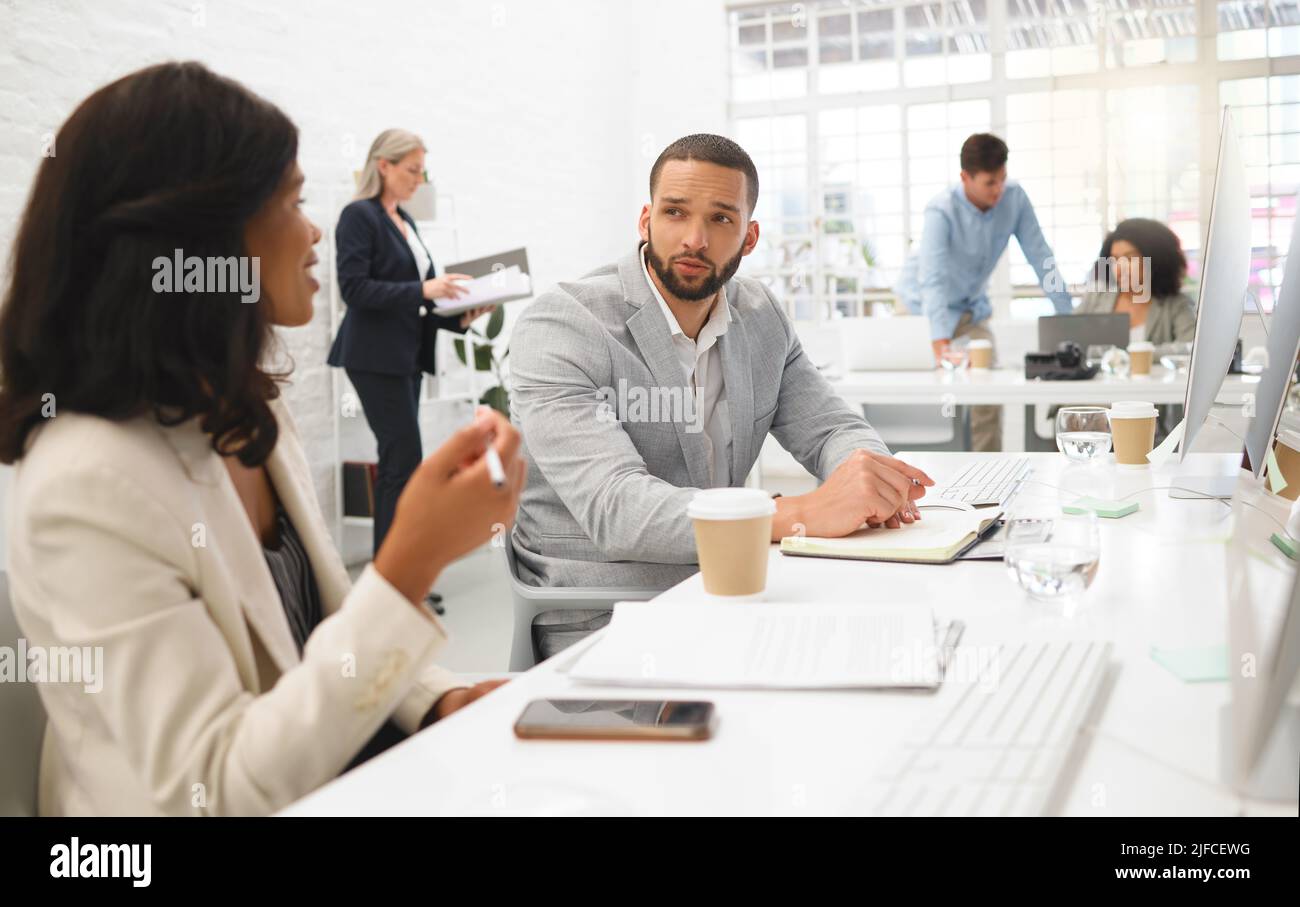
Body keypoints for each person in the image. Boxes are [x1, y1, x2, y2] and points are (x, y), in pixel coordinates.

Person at [0, 62, 526, 816]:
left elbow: (326, 630)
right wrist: (410, 564)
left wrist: (444, 702)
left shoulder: (247, 413)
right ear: (195, 241)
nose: (310, 230)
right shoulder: (87, 484)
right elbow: (213, 789)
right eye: (289, 201)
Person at [509, 133, 933, 655]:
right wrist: (799, 513)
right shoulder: (564, 325)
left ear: (749, 238)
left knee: (897, 650)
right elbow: (616, 508)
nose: (694, 239)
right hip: (607, 615)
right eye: (675, 213)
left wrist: (869, 481)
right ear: (646, 221)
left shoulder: (760, 315)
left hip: (736, 590)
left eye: (721, 219)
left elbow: (830, 429)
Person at [327, 129, 492, 611]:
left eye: (422, 172)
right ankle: (391, 583)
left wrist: (463, 316)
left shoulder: (404, 222)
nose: (419, 180)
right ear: (383, 165)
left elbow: (419, 302)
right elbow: (354, 290)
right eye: (412, 170)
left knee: (402, 462)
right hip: (372, 356)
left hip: (403, 355)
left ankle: (394, 577)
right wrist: (426, 291)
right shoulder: (359, 217)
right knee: (401, 462)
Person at [896, 133, 1074, 451]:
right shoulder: (941, 210)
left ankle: (986, 478)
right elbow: (932, 280)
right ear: (965, 177)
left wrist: (1068, 318)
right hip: (920, 307)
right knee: (929, 397)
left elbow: (1041, 258)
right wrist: (939, 343)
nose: (999, 190)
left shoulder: (1014, 199)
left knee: (988, 392)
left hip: (968, 308)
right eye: (990, 182)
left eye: (1002, 179)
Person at [1077, 218, 1195, 348]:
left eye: (1129, 258)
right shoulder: (1096, 296)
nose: (1120, 268)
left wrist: (1137, 354)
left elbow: (1189, 348)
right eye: (1115, 259)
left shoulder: (1176, 305)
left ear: (1155, 260)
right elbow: (1068, 339)